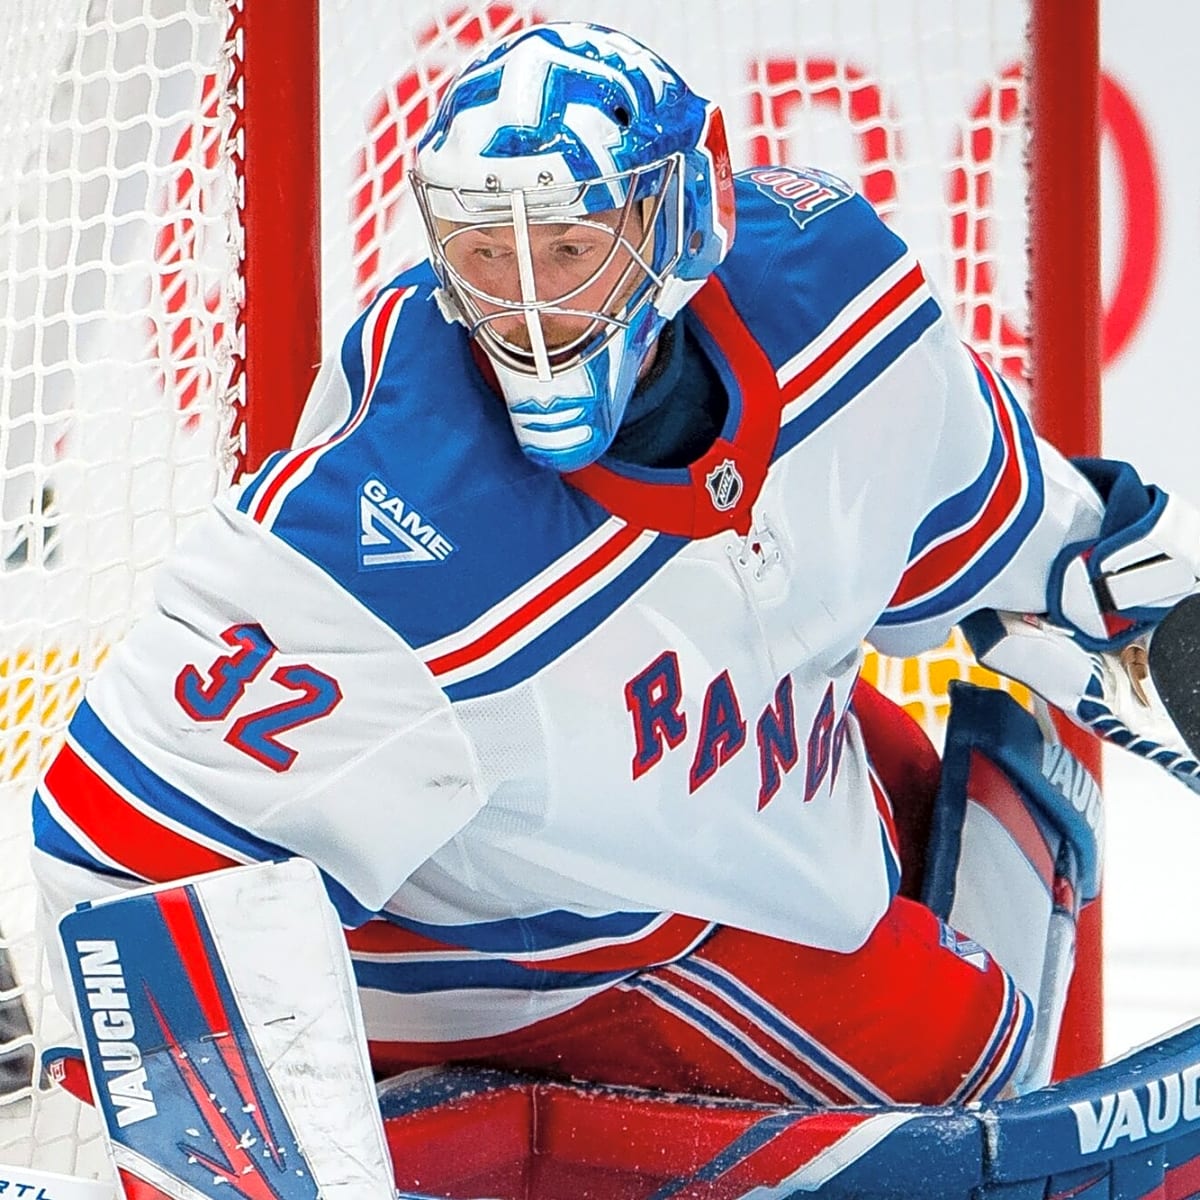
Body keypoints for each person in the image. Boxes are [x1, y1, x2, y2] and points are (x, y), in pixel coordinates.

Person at [29, 21, 1200, 1112]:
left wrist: (1150, 612)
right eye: (489, 254)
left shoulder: (841, 303)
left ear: (683, 221)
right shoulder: (400, 529)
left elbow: (1027, 544)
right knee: (968, 1045)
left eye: (571, 249)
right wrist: (236, 1159)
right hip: (517, 936)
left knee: (971, 789)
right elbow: (113, 846)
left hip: (720, 798)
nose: (529, 303)